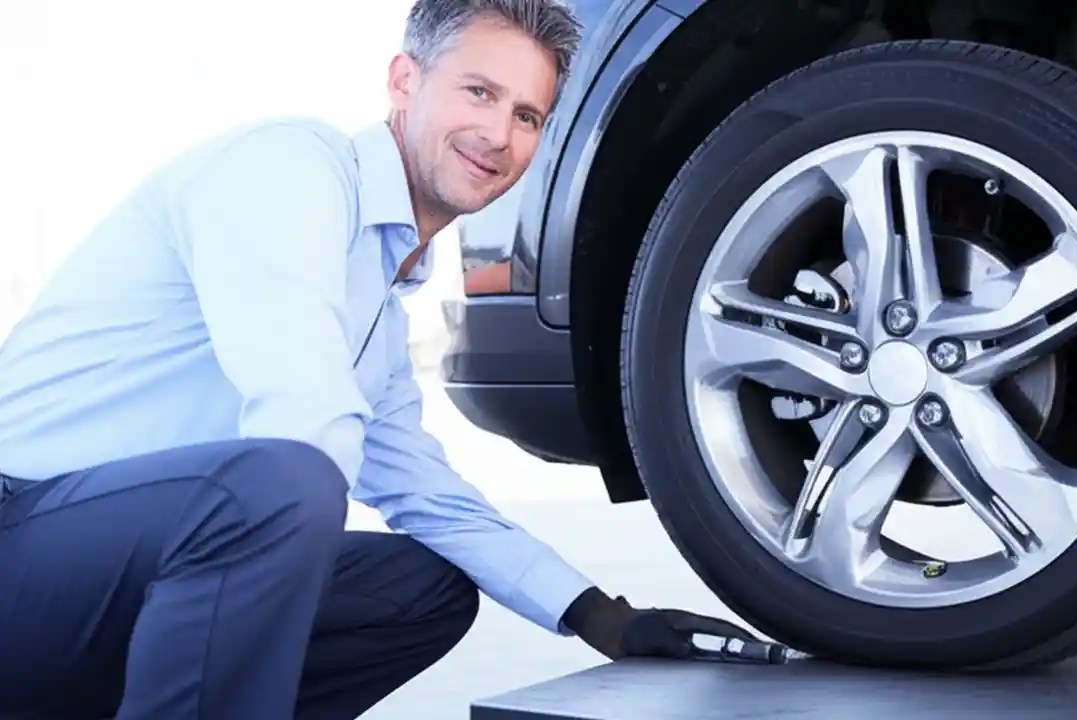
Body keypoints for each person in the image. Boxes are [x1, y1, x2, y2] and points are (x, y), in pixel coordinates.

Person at [0, 1, 759, 718]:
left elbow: (423, 492)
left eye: (527, 115)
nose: (499, 134)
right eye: (479, 92)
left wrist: (605, 619)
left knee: (421, 588)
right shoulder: (287, 169)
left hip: (133, 569)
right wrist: (279, 525)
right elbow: (299, 420)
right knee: (284, 479)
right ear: (404, 81)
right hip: (22, 539)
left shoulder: (379, 302)